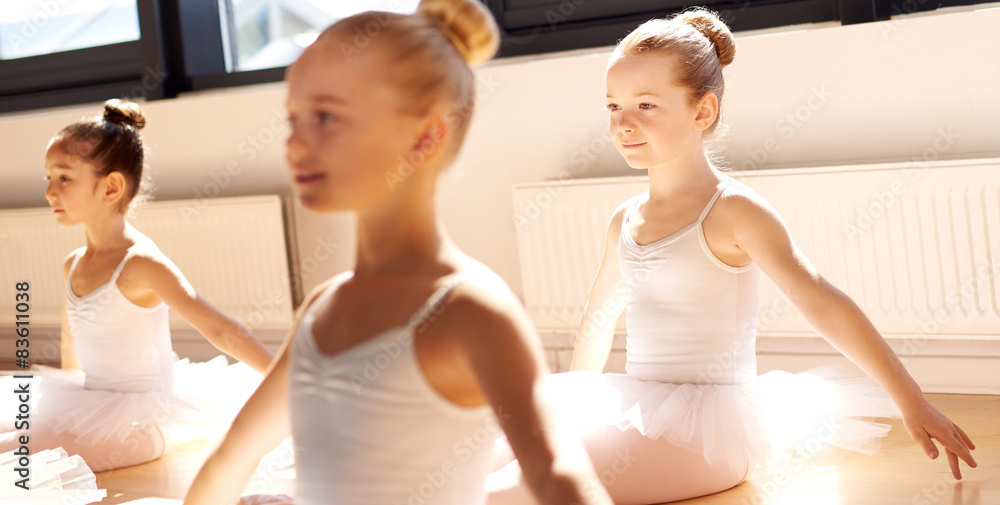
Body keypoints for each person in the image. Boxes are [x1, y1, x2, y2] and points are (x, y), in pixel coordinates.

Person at [491, 8, 977, 505]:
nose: (623, 123)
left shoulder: (734, 211)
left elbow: (822, 303)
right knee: (474, 464)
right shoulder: (625, 218)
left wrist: (912, 401)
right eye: (613, 106)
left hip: (709, 432)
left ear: (702, 112)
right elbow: (598, 318)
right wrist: (576, 410)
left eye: (646, 105)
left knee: (504, 494)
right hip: (637, 403)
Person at [182, 1, 613, 505]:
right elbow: (233, 455)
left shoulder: (471, 311)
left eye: (325, 117)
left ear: (425, 138)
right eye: (292, 118)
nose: (294, 143)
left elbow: (557, 473)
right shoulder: (322, 308)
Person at [0, 98, 274, 477]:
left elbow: (220, 329)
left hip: (142, 421)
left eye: (63, 177)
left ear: (111, 187)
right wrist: (67, 410)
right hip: (93, 400)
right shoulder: (73, 263)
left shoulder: (141, 263)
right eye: (47, 177)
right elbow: (70, 343)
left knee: (12, 461)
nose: (49, 191)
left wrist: (286, 379)